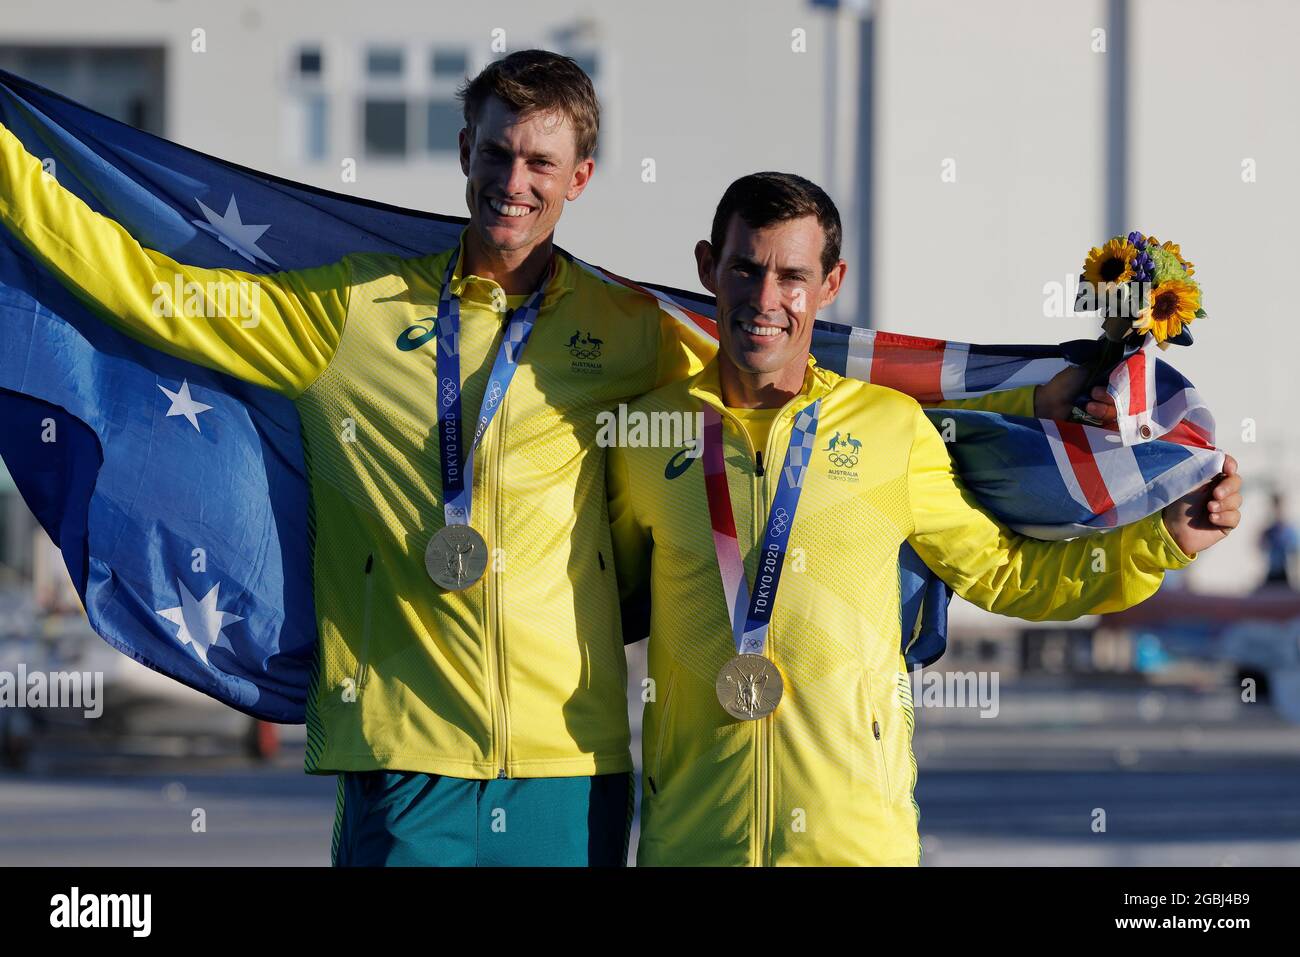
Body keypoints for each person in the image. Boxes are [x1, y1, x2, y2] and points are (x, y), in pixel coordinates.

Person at [0, 49, 1107, 866]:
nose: (512, 180)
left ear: (579, 177)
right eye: (495, 152)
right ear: (465, 155)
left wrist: (1028, 388)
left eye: (540, 159)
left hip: (573, 775)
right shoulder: (348, 312)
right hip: (406, 758)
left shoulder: (627, 332)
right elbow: (149, 288)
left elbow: (797, 360)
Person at [606, 172, 1242, 866]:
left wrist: (1161, 540)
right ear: (707, 268)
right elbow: (609, 600)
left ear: (830, 282)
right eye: (745, 269)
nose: (766, 299)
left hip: (855, 846)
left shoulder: (889, 429)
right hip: (691, 844)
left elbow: (1008, 573)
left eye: (792, 275)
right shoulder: (645, 433)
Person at [1258, 493, 1297, 589]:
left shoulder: (1288, 529)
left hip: (1285, 571)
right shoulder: (1269, 530)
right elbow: (1261, 546)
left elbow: (1294, 549)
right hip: (1272, 570)